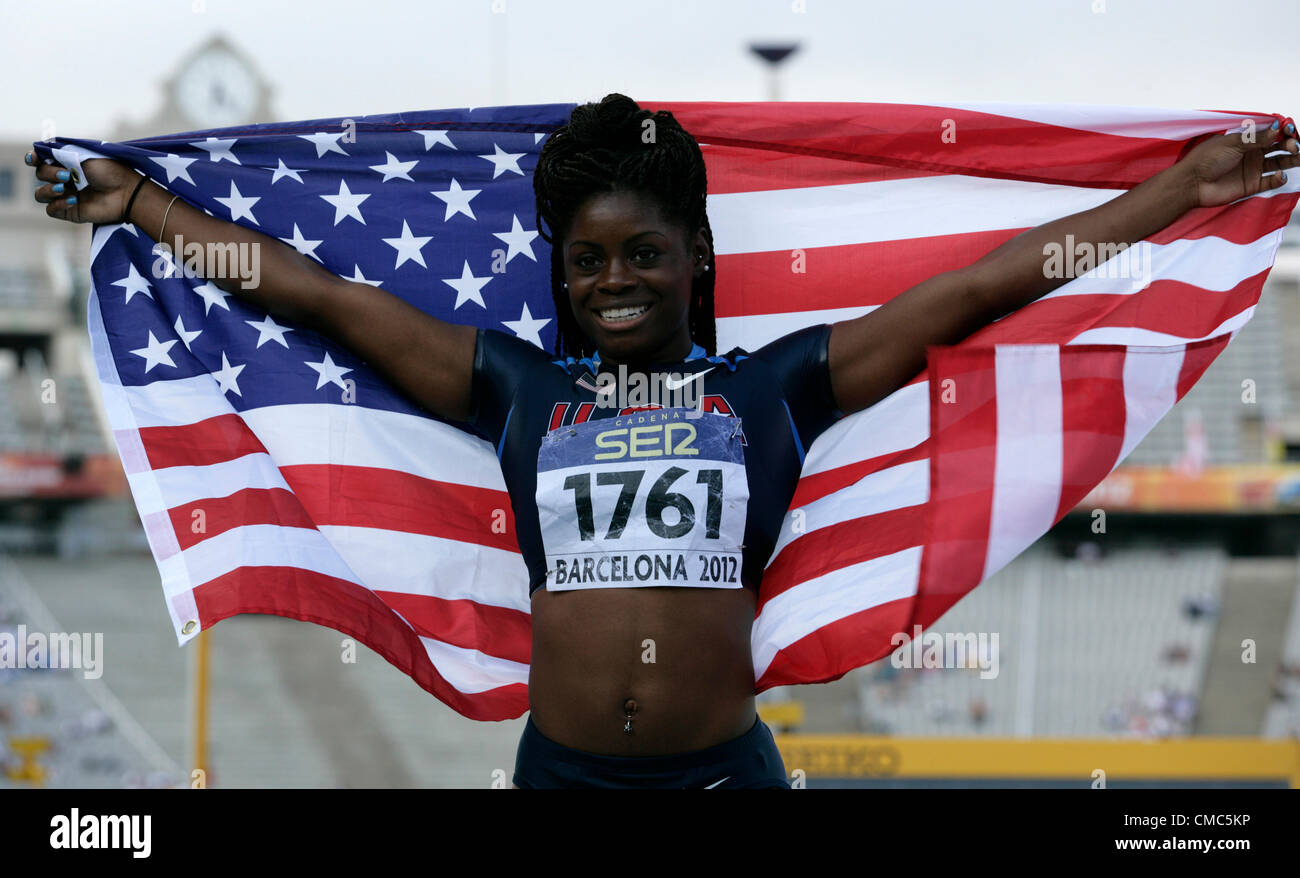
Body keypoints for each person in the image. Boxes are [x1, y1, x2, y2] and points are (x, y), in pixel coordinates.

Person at [27, 94, 1298, 789]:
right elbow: (322, 299)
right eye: (585, 263)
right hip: (561, 778)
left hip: (722, 782)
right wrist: (141, 203)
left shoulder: (772, 395)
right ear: (560, 279)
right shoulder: (519, 391)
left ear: (697, 259)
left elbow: (973, 291)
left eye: (643, 253)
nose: (613, 281)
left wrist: (1179, 191)